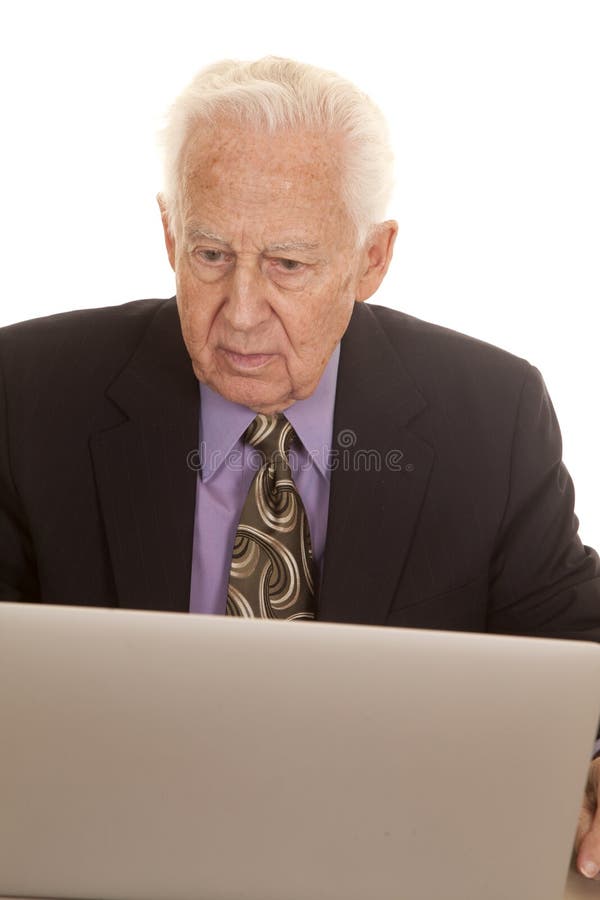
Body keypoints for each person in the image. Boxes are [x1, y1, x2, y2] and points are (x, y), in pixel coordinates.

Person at [0, 56, 599, 876]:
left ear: (371, 260)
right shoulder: (27, 392)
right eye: (211, 254)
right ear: (171, 235)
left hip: (387, 872)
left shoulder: (490, 415)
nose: (241, 312)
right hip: (102, 869)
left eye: (288, 264)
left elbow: (572, 632)